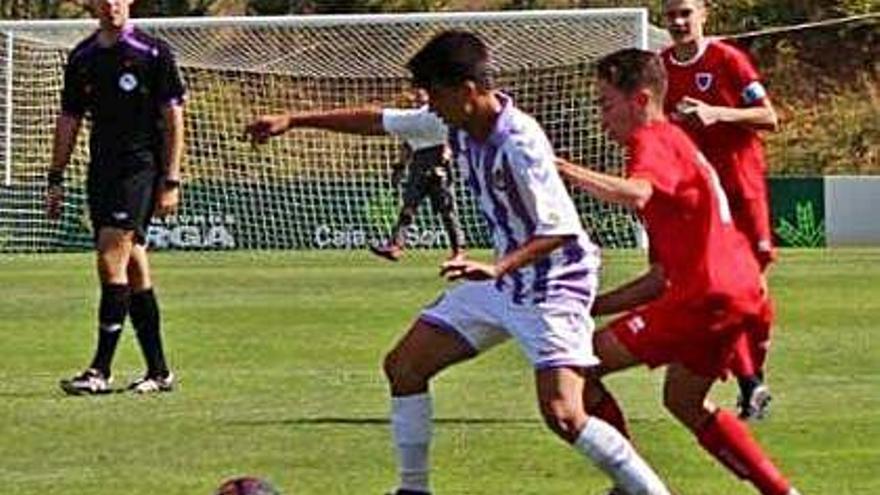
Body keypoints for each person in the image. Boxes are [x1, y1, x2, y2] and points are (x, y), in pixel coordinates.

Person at [248, 30, 671, 495]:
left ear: (466, 92)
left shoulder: (520, 141)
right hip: (506, 282)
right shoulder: (455, 121)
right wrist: (295, 118)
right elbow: (379, 121)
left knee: (565, 414)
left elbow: (560, 230)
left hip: (555, 285)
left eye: (434, 95)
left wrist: (499, 268)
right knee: (405, 367)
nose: (428, 106)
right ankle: (414, 490)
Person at [556, 48, 800, 495]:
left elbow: (636, 193)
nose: (601, 117)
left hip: (707, 296)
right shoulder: (676, 143)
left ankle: (631, 485)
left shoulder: (652, 141)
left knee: (576, 364)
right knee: (684, 402)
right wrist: (592, 304)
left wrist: (561, 169)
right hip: (741, 292)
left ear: (641, 100)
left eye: (606, 104)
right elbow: (658, 278)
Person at [47, 0, 185, 395]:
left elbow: (175, 118)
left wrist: (171, 179)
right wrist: (55, 177)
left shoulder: (153, 52)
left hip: (141, 168)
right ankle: (159, 372)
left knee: (111, 256)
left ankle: (99, 370)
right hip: (101, 170)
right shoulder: (83, 56)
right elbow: (69, 118)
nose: (111, 6)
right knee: (134, 264)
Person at [661, 0, 780, 419]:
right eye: (671, 14)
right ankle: (751, 383)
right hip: (699, 203)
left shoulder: (728, 60)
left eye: (685, 13)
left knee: (750, 294)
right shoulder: (659, 68)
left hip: (742, 191)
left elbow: (770, 117)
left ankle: (754, 372)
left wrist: (717, 113)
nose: (677, 22)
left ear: (704, 14)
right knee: (714, 294)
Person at [244, 88, 465, 262]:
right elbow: (381, 126)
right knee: (408, 208)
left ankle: (458, 251)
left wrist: (444, 161)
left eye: (423, 93)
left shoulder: (446, 117)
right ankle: (396, 245)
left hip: (438, 164)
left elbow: (449, 139)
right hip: (420, 163)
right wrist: (399, 168)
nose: (417, 98)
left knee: (446, 211)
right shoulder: (416, 120)